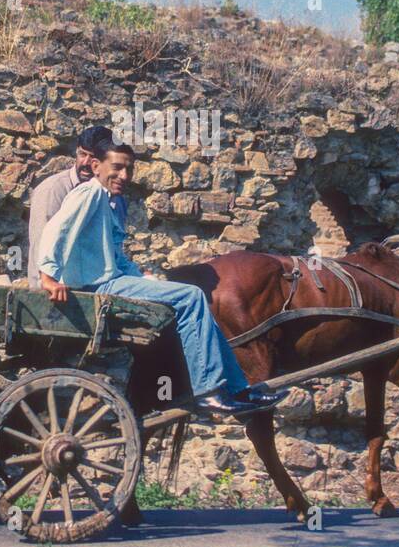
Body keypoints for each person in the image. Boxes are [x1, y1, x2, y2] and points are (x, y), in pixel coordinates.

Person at [35, 138, 283, 417]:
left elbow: (114, 257)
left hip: (109, 279)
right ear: (95, 166)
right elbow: (57, 231)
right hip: (97, 286)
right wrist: (48, 277)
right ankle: (208, 392)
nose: (124, 176)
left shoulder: (108, 201)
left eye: (129, 170)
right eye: (116, 168)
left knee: (196, 305)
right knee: (191, 297)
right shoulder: (90, 194)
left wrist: (142, 278)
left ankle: (239, 388)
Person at [26, 126, 117, 288]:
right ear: (76, 152)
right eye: (83, 154)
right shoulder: (53, 190)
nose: (86, 163)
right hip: (57, 291)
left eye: (94, 157)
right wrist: (44, 288)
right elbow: (41, 248)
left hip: (91, 286)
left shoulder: (109, 193)